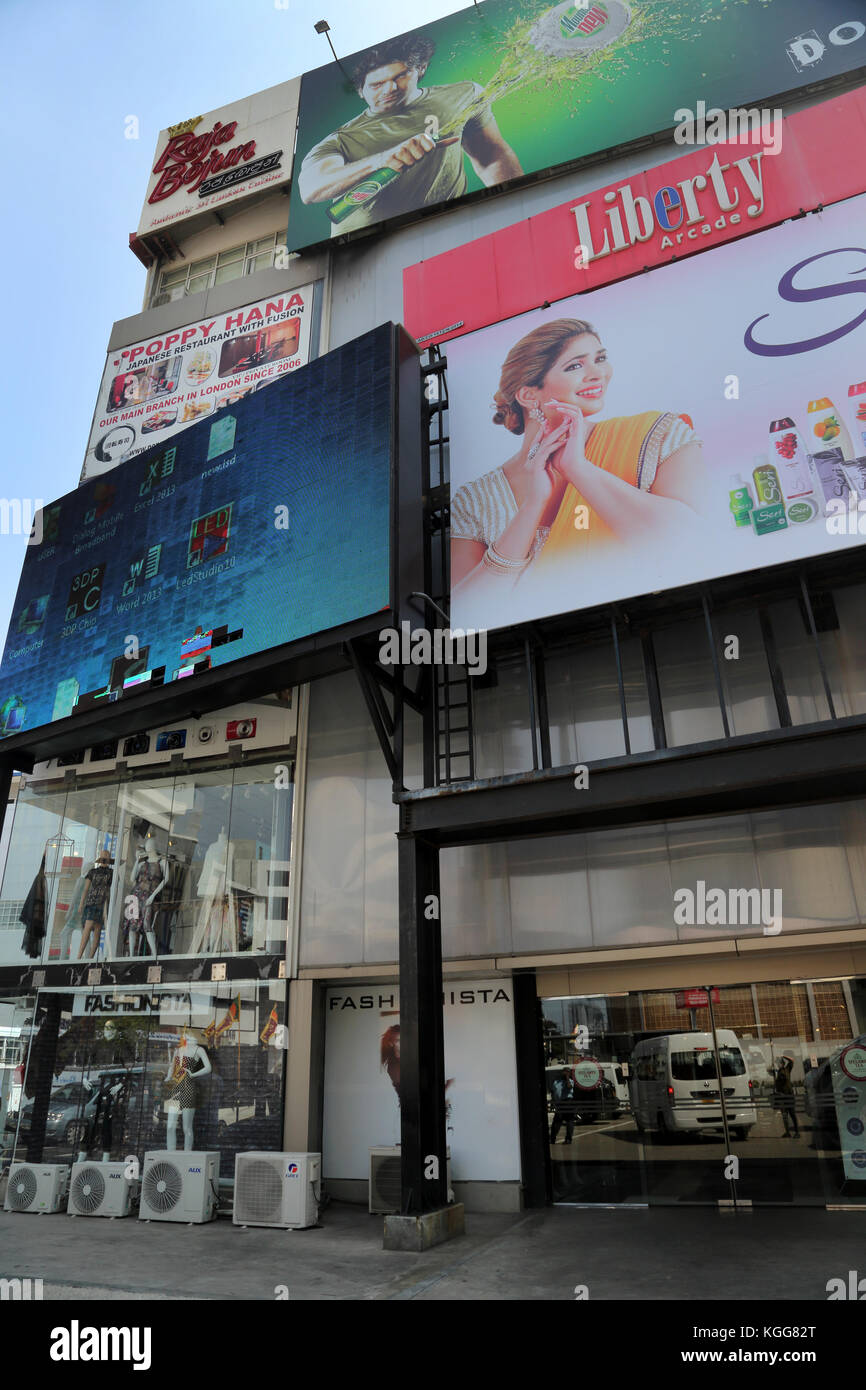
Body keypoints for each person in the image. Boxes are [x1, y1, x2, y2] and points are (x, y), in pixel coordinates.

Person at [450, 317, 708, 612]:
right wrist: (533, 504)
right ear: (528, 395)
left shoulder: (658, 435)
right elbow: (469, 613)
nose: (598, 374)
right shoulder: (475, 500)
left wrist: (579, 469)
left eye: (600, 359)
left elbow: (696, 547)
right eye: (575, 366)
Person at [298, 36, 522, 235]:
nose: (390, 89)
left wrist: (517, 208)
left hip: (452, 227)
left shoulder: (463, 95)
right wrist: (382, 160)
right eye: (376, 85)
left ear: (420, 69)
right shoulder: (342, 138)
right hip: (366, 246)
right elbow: (310, 188)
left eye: (401, 76)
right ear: (361, 91)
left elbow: (492, 157)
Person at [770, 1055, 800, 1137]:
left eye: (779, 1063)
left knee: (792, 1114)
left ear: (783, 1063)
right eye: (777, 1063)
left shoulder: (787, 1069)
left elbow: (792, 1060)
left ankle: (797, 1132)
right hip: (782, 1097)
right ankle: (787, 1132)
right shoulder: (778, 1072)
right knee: (785, 1115)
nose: (778, 1064)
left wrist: (784, 1056)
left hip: (789, 1096)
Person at [549, 1067, 577, 1146]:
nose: (566, 1073)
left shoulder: (570, 1081)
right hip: (559, 1103)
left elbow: (569, 1087)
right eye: (565, 1072)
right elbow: (553, 1092)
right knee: (556, 1122)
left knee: (569, 1121)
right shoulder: (556, 1082)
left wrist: (567, 1078)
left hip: (568, 1102)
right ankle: (552, 1138)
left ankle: (568, 1139)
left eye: (568, 1072)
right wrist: (553, 1102)